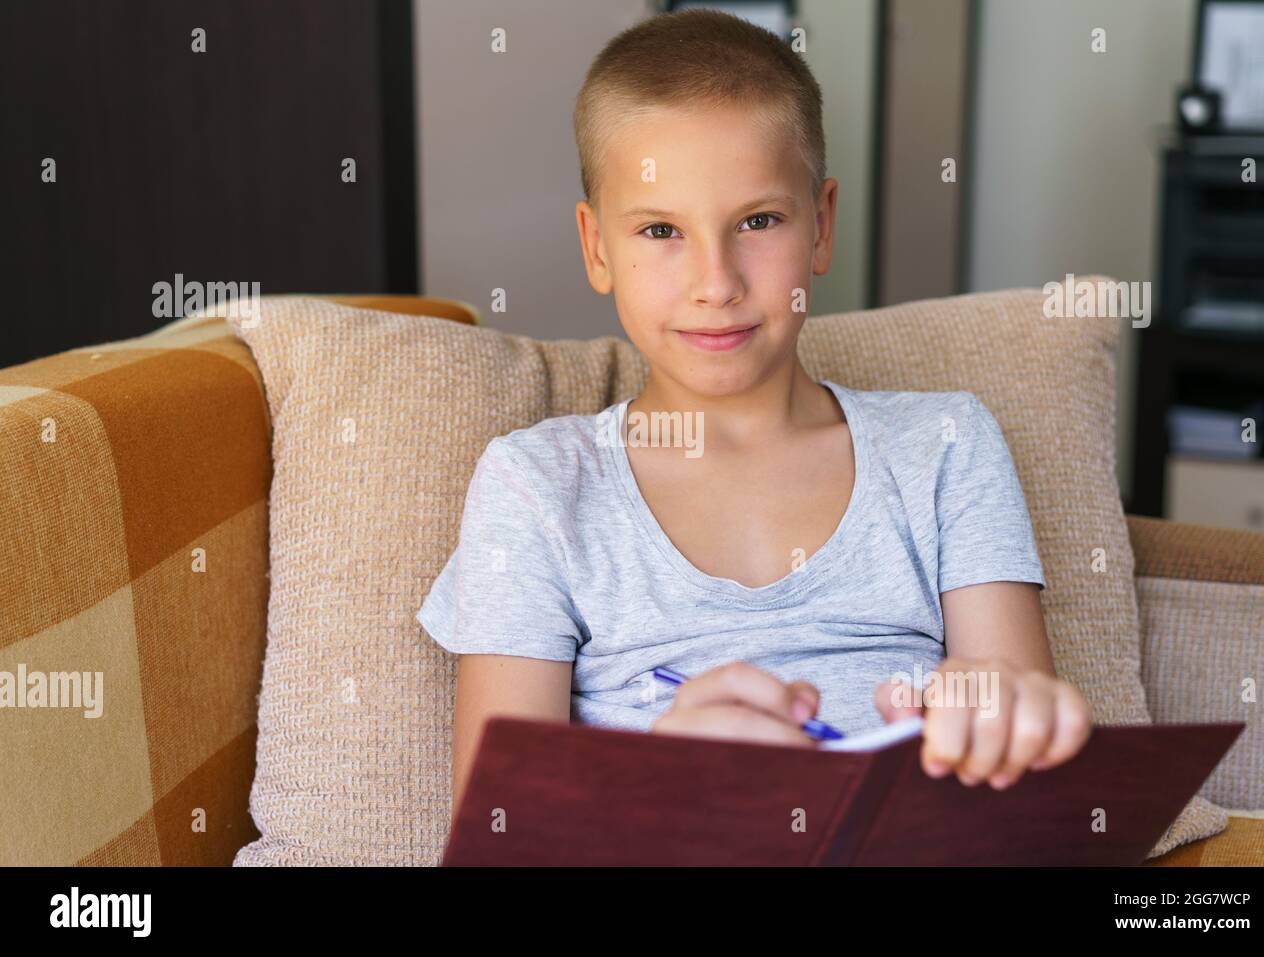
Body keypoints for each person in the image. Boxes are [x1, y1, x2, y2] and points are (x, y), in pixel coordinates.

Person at [418, 8, 1091, 817]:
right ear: (598, 247)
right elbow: (499, 828)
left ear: (822, 226)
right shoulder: (537, 485)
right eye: (662, 229)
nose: (717, 281)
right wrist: (661, 787)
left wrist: (1007, 720)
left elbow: (1026, 762)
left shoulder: (946, 445)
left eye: (759, 221)